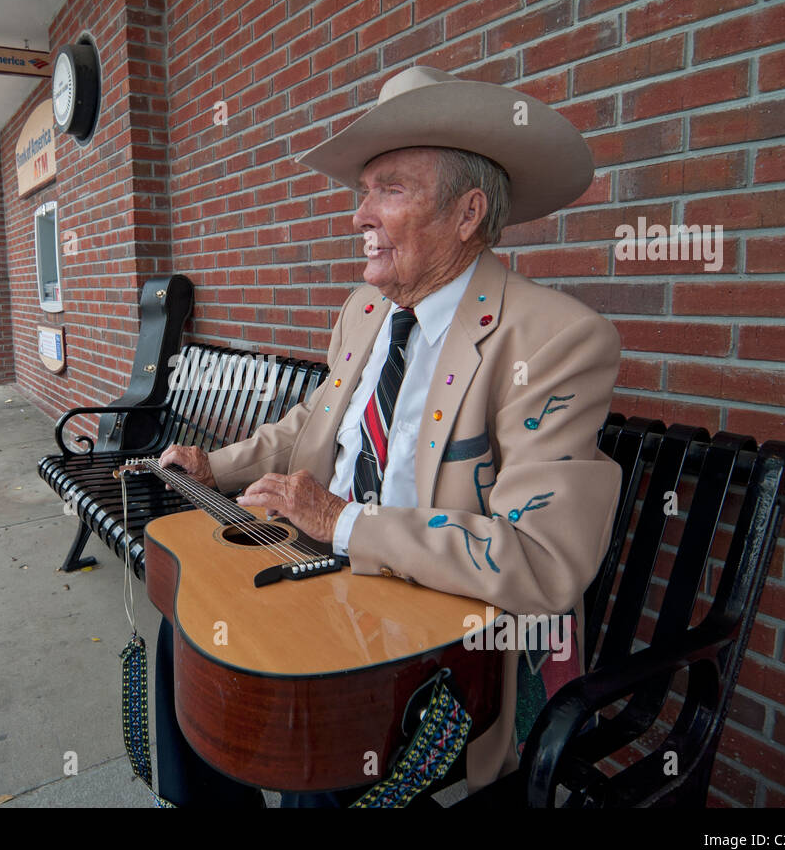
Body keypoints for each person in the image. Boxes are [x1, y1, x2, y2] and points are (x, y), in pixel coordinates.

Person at [155, 67, 623, 807]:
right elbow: (313, 424)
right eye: (362, 190)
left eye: (389, 189)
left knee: (316, 728)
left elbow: (540, 558)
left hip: (440, 650)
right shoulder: (366, 308)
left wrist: (343, 521)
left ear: (468, 213)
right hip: (322, 576)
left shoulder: (557, 339)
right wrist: (217, 463)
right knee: (189, 637)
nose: (358, 215)